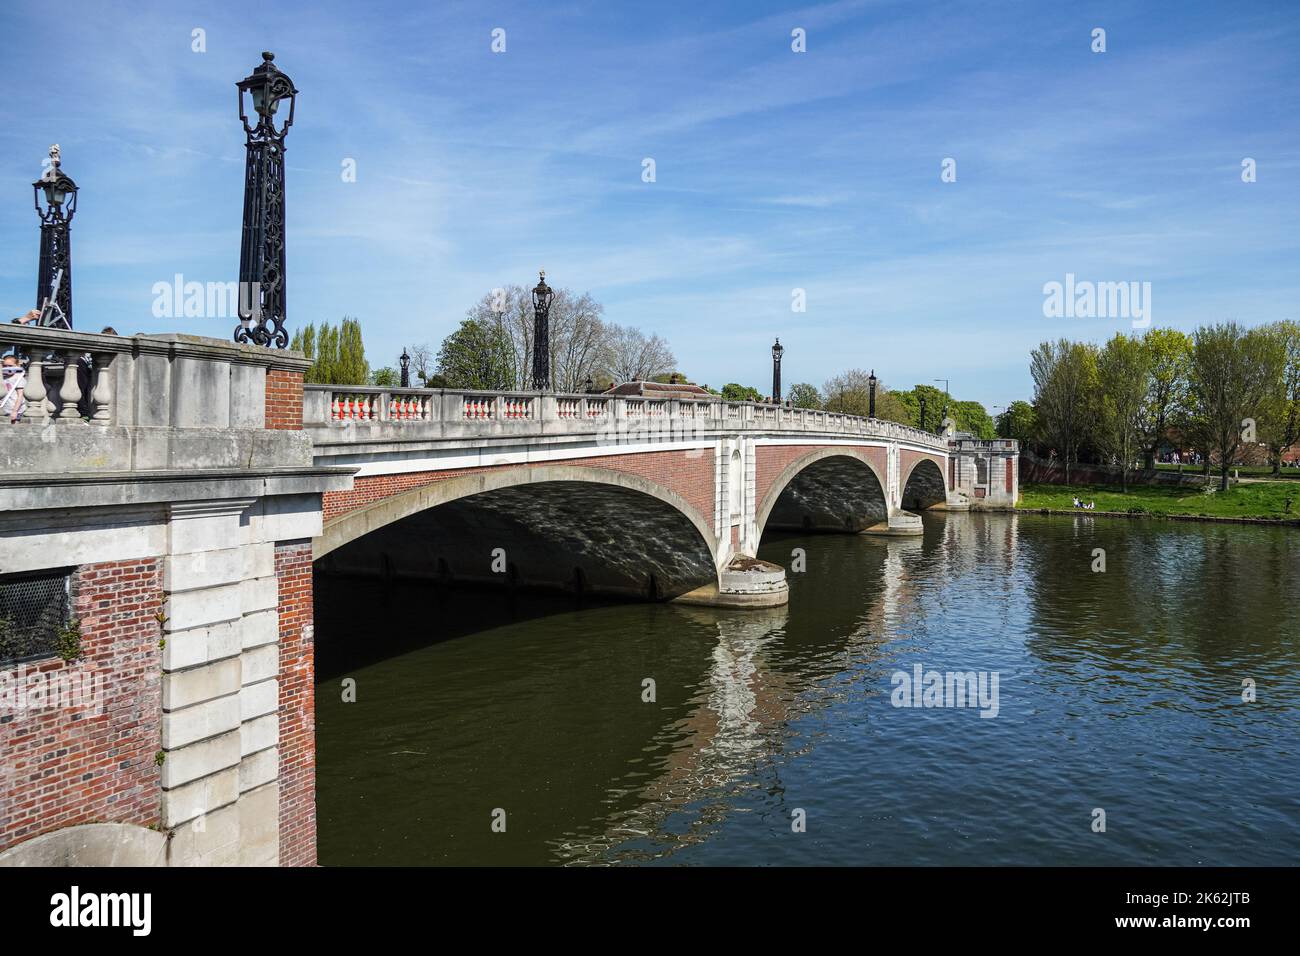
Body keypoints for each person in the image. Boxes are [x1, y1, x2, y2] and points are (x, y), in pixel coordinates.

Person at [2, 352, 27, 423]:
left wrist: (15, 411)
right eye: (5, 366)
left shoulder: (18, 377)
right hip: (4, 408)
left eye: (10, 365)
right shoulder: (3, 377)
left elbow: (20, 396)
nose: (7, 368)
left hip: (15, 410)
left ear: (17, 365)